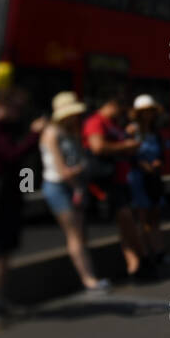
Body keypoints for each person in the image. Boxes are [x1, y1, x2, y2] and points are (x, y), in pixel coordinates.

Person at [0, 87, 47, 323]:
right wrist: (34, 135)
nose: (18, 114)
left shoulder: (6, 128)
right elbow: (13, 155)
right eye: (16, 109)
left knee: (3, 254)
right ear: (3, 106)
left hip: (7, 200)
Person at [41, 91, 110, 294]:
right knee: (75, 235)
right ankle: (88, 279)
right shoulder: (51, 133)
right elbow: (63, 169)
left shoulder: (71, 131)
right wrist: (79, 172)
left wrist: (79, 183)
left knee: (80, 233)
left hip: (75, 186)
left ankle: (89, 276)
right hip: (59, 186)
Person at [83, 94, 149, 279]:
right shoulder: (96, 122)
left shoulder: (113, 124)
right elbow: (97, 147)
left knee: (126, 223)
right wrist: (125, 145)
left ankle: (134, 265)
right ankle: (140, 259)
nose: (120, 112)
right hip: (106, 180)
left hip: (120, 178)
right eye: (118, 107)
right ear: (110, 104)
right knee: (126, 218)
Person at [128, 94, 167, 265]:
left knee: (155, 216)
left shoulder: (155, 132)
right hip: (138, 177)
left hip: (154, 178)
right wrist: (142, 164)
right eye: (144, 112)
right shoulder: (131, 130)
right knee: (141, 217)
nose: (148, 115)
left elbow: (161, 154)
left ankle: (158, 251)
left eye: (150, 111)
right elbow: (128, 153)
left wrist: (158, 163)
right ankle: (144, 254)